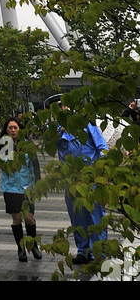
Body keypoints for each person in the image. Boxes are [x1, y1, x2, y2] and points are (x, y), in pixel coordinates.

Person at [57, 112, 108, 265]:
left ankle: (99, 253)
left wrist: (103, 174)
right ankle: (83, 251)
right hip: (71, 181)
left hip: (90, 179)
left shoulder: (87, 124)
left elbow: (102, 148)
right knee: (77, 216)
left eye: (65, 106)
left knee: (95, 215)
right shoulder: (58, 130)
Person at [0, 117, 41, 262]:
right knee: (16, 218)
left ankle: (33, 245)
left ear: (20, 129)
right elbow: (1, 162)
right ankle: (20, 249)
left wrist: (37, 185)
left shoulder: (28, 145)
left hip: (27, 187)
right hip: (10, 187)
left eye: (15, 128)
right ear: (6, 130)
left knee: (29, 218)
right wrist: (8, 145)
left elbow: (35, 166)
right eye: (10, 128)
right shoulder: (4, 144)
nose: (13, 130)